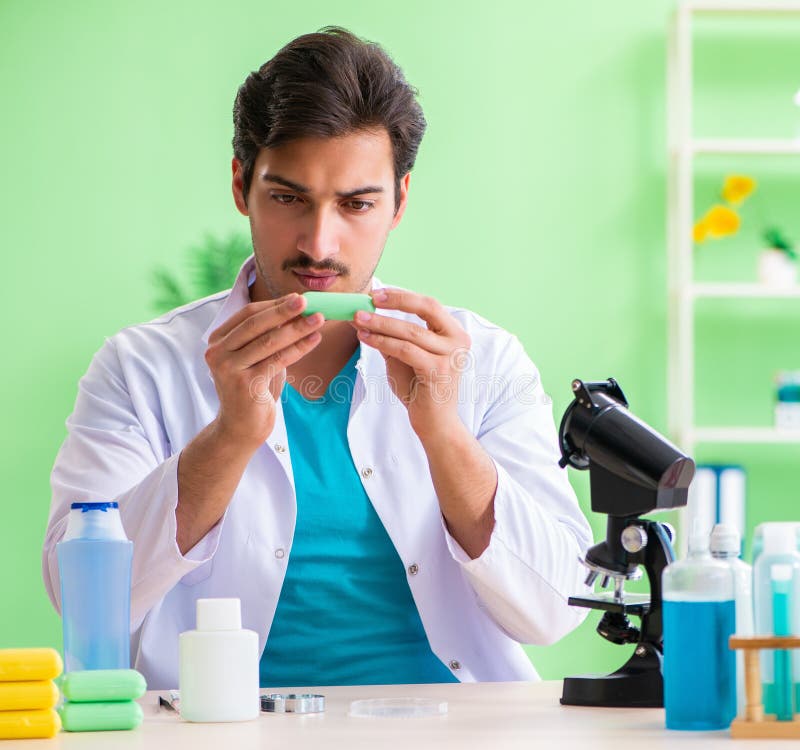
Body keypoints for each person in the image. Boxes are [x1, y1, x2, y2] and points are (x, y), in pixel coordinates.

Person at [43, 27, 592, 690]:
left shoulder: (482, 361)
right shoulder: (139, 368)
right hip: (221, 728)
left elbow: (558, 606)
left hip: (454, 723)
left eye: (357, 204)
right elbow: (81, 602)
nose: (319, 243)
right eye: (288, 198)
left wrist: (443, 432)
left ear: (400, 202)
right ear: (242, 185)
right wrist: (231, 436)